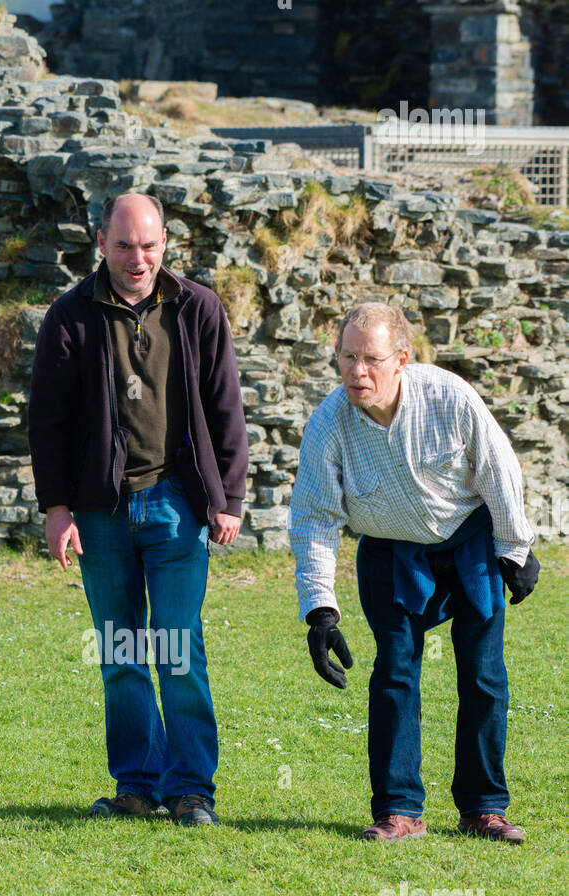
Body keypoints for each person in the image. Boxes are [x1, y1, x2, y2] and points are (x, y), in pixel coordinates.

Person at [28, 192, 248, 825]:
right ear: (101, 242)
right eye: (124, 245)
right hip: (100, 511)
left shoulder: (197, 308)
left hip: (177, 503)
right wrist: (57, 508)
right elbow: (47, 422)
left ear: (165, 243)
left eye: (148, 245)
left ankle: (191, 791)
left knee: (179, 649)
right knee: (121, 653)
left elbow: (225, 405)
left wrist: (227, 497)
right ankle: (136, 785)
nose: (137, 258)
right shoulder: (69, 316)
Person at [289, 301, 538, 843]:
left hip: (469, 542)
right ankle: (399, 811)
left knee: (483, 674)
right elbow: (314, 516)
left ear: (401, 359)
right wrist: (320, 608)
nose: (357, 372)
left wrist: (516, 549)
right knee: (395, 673)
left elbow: (499, 467)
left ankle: (483, 808)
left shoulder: (449, 396)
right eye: (347, 357)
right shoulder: (329, 423)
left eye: (371, 359)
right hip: (390, 552)